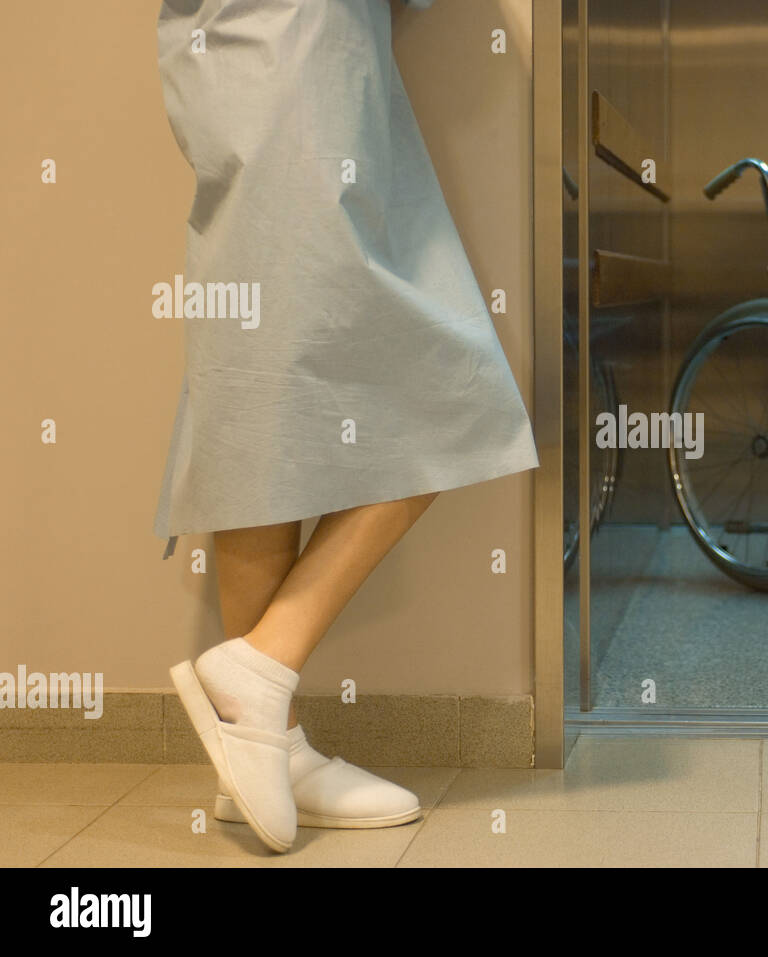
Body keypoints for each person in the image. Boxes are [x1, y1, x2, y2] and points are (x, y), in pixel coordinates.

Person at [154, 0, 538, 853]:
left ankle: (260, 746)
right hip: (295, 63)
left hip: (258, 64)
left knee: (270, 399)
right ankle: (260, 673)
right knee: (442, 391)